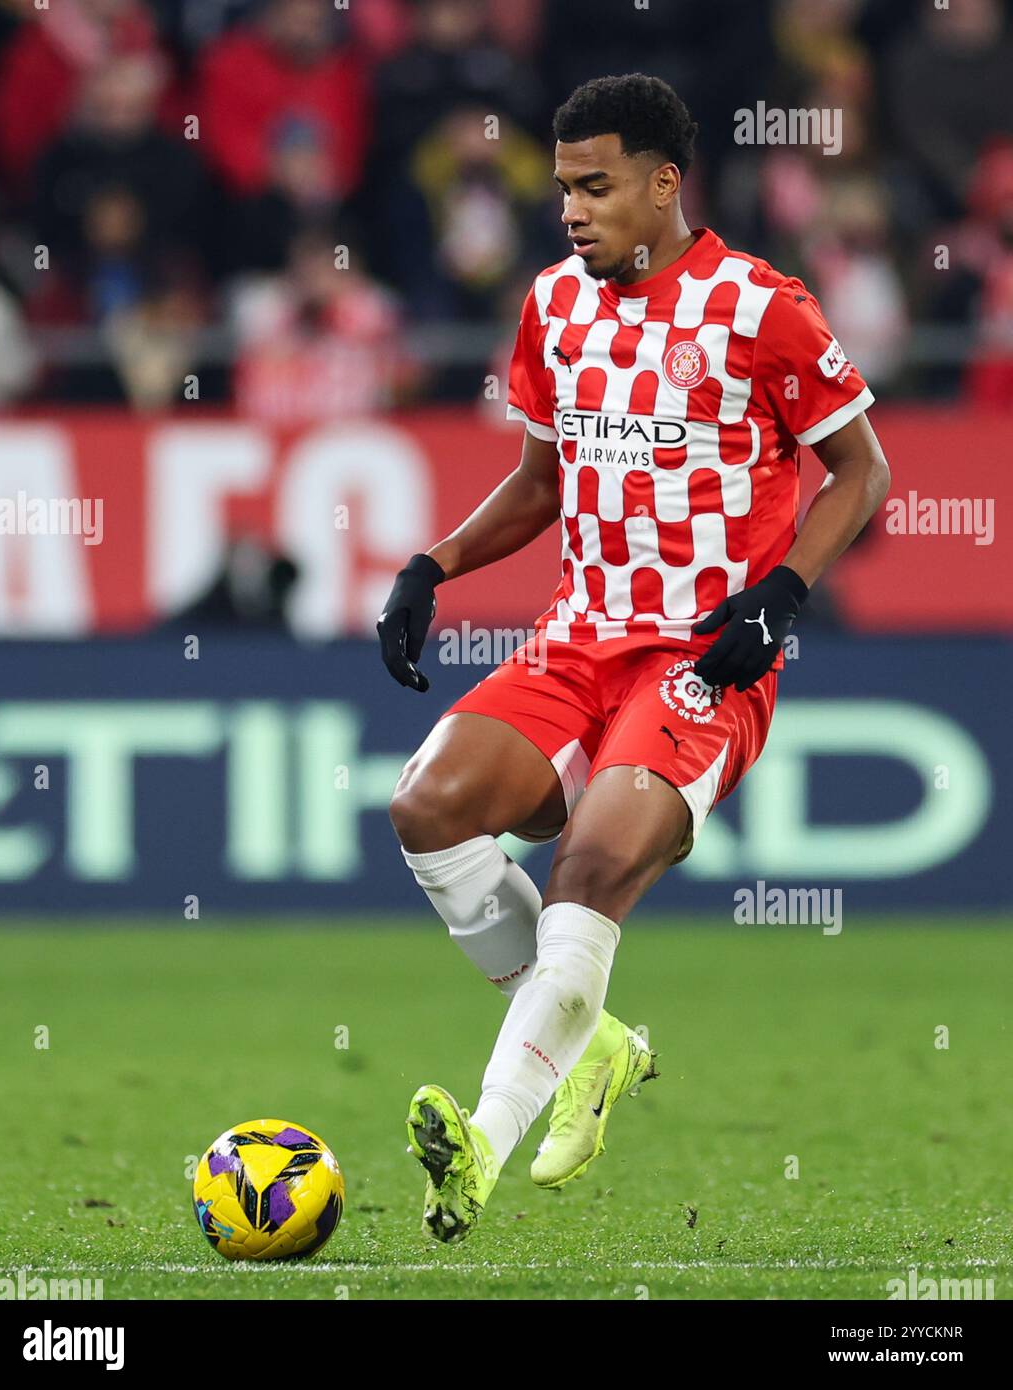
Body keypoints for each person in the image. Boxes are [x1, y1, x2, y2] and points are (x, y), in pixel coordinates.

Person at [376, 73, 890, 1244]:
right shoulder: (554, 306)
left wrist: (782, 593)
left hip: (701, 660)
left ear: (665, 184)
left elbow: (860, 467)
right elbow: (541, 482)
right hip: (575, 644)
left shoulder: (760, 308)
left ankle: (481, 1150)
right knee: (427, 807)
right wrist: (434, 565)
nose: (569, 210)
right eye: (561, 187)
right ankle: (588, 1043)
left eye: (594, 187)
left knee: (589, 872)